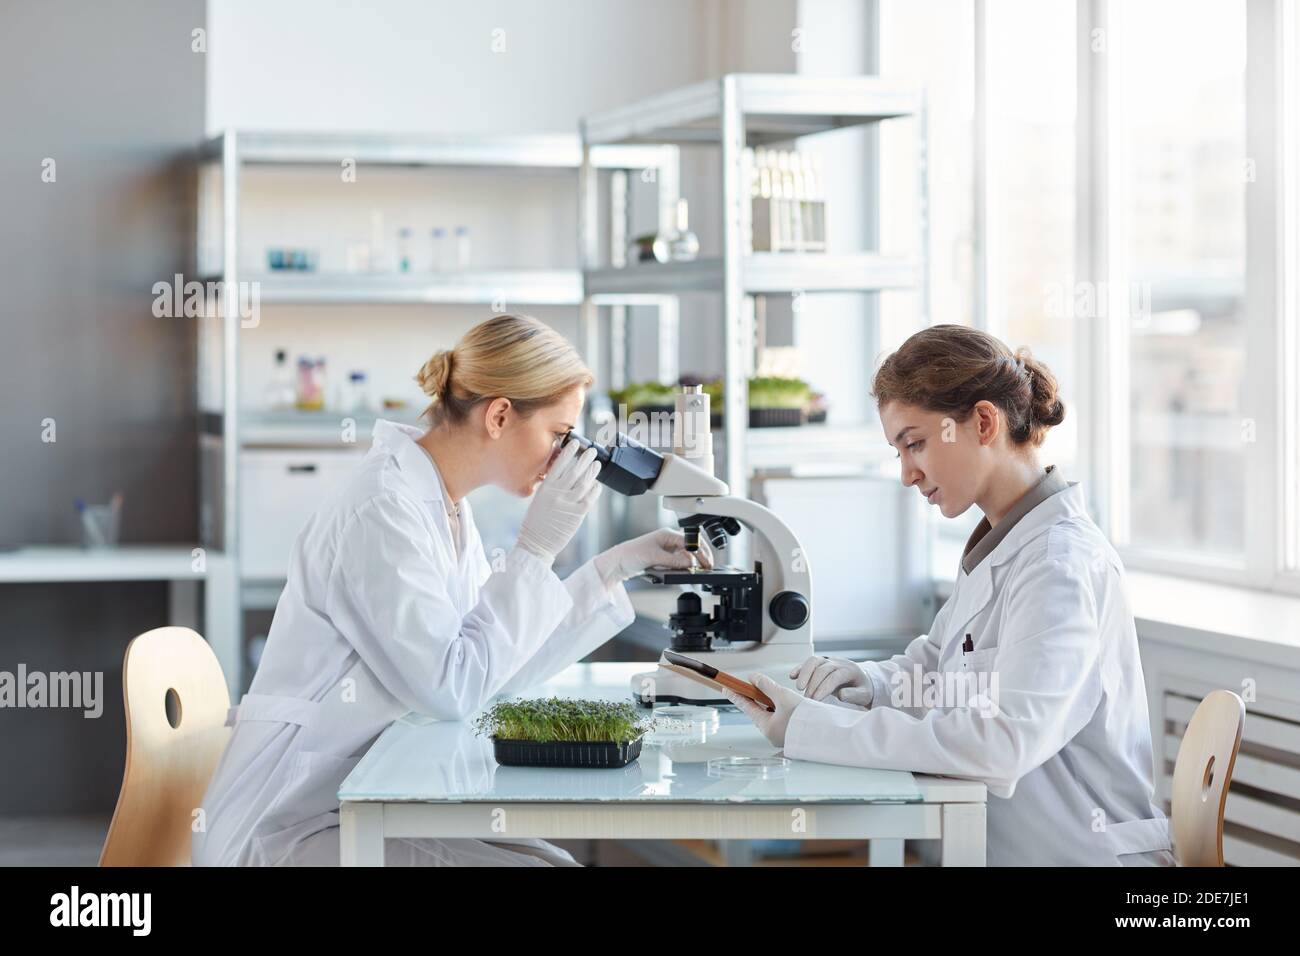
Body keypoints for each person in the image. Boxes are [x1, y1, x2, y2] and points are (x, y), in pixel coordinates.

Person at [194, 313, 709, 866]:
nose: (563, 457)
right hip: (287, 824)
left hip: (361, 799)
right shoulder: (382, 510)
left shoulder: (446, 505)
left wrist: (615, 568)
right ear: (500, 414)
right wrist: (535, 552)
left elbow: (496, 663)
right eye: (558, 435)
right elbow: (452, 687)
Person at [723, 324, 1174, 866]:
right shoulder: (1005, 539)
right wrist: (865, 682)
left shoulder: (1060, 564)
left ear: (983, 422)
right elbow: (939, 668)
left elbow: (1001, 743)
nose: (908, 474)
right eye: (898, 451)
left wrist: (814, 727)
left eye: (915, 443)